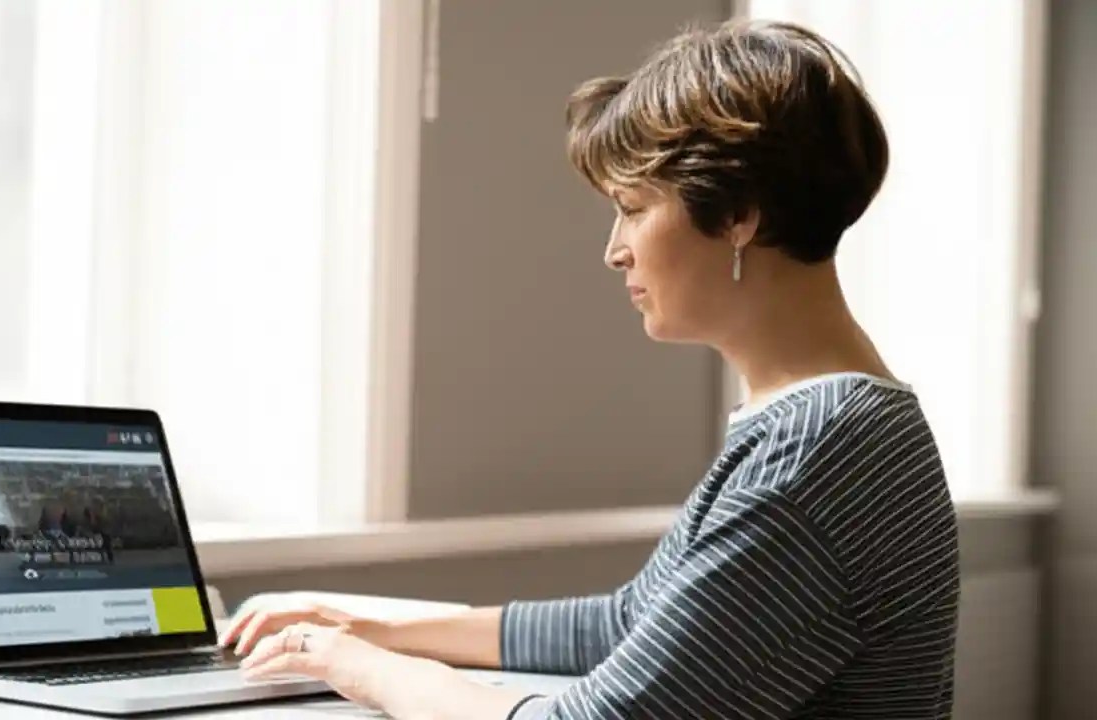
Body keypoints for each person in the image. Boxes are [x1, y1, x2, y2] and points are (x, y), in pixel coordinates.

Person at [218, 19, 958, 720]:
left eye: (633, 207)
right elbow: (633, 620)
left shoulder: (815, 454)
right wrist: (370, 625)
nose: (614, 249)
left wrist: (358, 666)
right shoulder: (841, 425)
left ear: (737, 213)